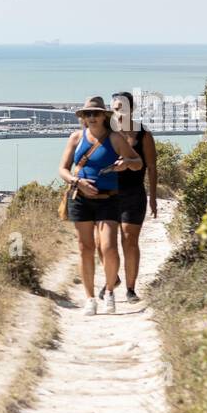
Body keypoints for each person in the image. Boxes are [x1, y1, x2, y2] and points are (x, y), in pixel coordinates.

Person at [58, 96, 142, 315]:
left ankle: (111, 293)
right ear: (83, 118)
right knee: (85, 248)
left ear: (104, 116)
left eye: (95, 113)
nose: (91, 117)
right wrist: (78, 182)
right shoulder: (76, 138)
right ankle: (89, 298)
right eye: (87, 114)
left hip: (108, 199)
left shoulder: (115, 138)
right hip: (80, 198)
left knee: (108, 247)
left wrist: (126, 163)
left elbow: (138, 163)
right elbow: (63, 170)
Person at [103, 91, 157, 303]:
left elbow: (152, 167)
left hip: (134, 195)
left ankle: (131, 289)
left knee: (129, 240)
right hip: (107, 195)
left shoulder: (143, 135)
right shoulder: (105, 134)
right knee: (105, 244)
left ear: (132, 109)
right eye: (115, 108)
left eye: (122, 108)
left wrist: (153, 197)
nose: (118, 112)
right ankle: (112, 278)